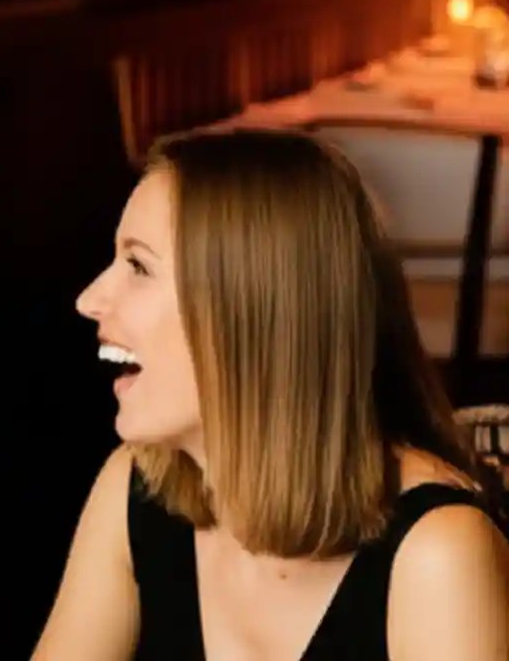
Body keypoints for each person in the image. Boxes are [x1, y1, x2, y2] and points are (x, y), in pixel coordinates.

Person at [33, 130, 509, 660]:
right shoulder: (135, 489)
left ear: (250, 313)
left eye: (139, 267)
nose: (89, 299)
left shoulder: (437, 554)